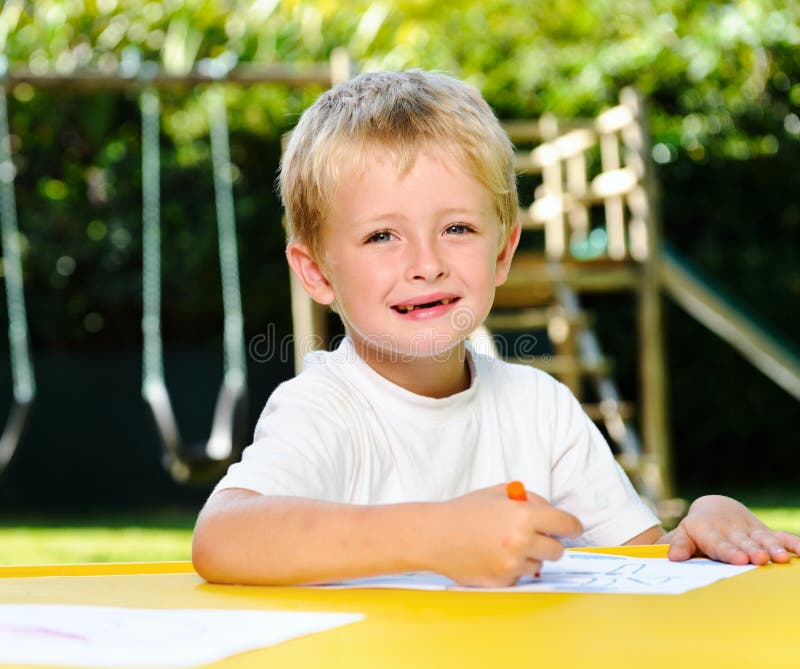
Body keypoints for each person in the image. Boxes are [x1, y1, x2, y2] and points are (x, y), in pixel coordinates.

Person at [191, 69, 800, 586]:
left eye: (457, 228)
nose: (426, 263)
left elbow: (632, 570)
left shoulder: (542, 409)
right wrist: (434, 534)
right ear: (317, 272)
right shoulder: (325, 409)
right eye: (382, 235)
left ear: (503, 252)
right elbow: (221, 539)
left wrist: (697, 532)